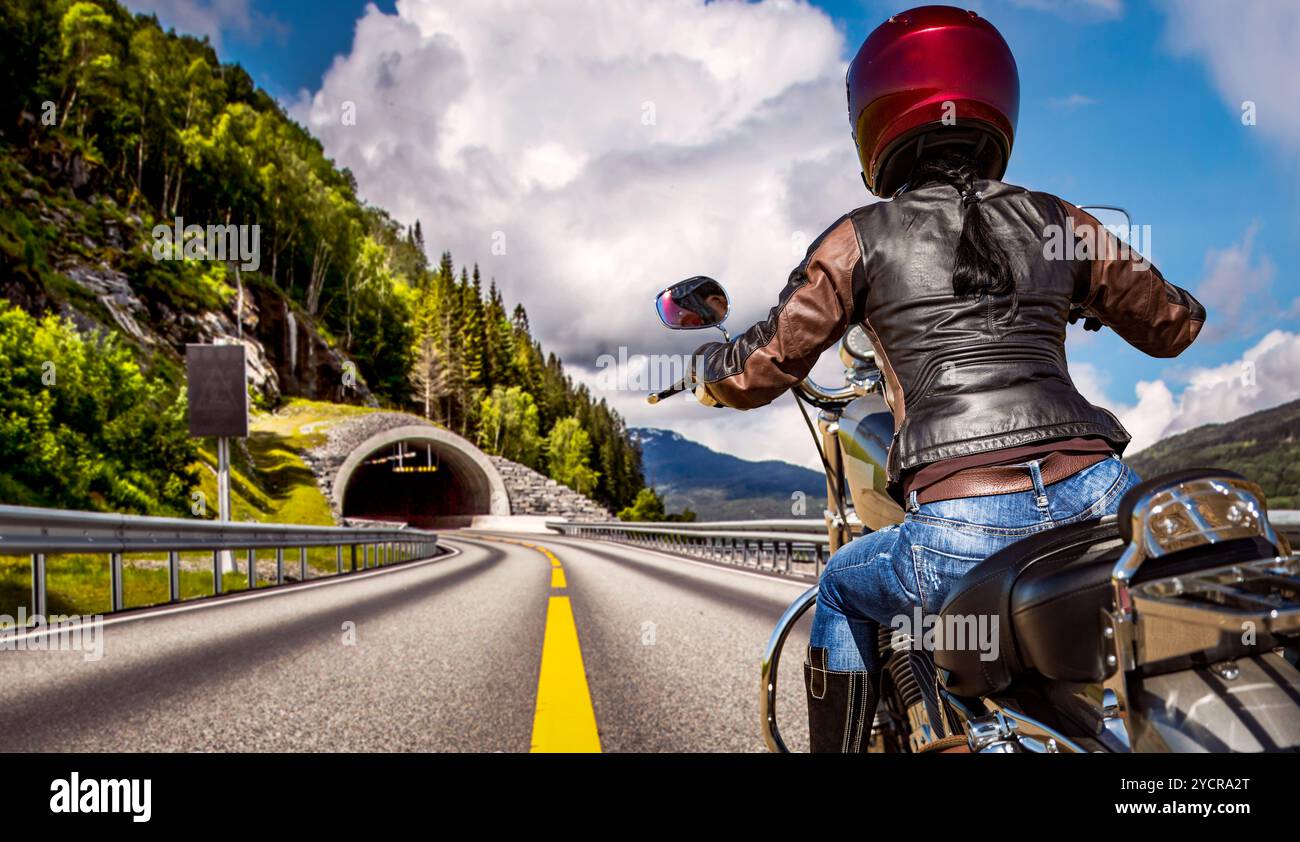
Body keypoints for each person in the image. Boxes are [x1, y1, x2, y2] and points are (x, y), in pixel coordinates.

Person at [688, 5, 1205, 752]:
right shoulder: (1058, 217)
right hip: (1102, 495)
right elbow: (1174, 325)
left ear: (875, 112)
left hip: (965, 524)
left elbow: (761, 366)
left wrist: (710, 372)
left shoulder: (859, 237)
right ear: (996, 96)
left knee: (839, 586)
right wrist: (1087, 295)